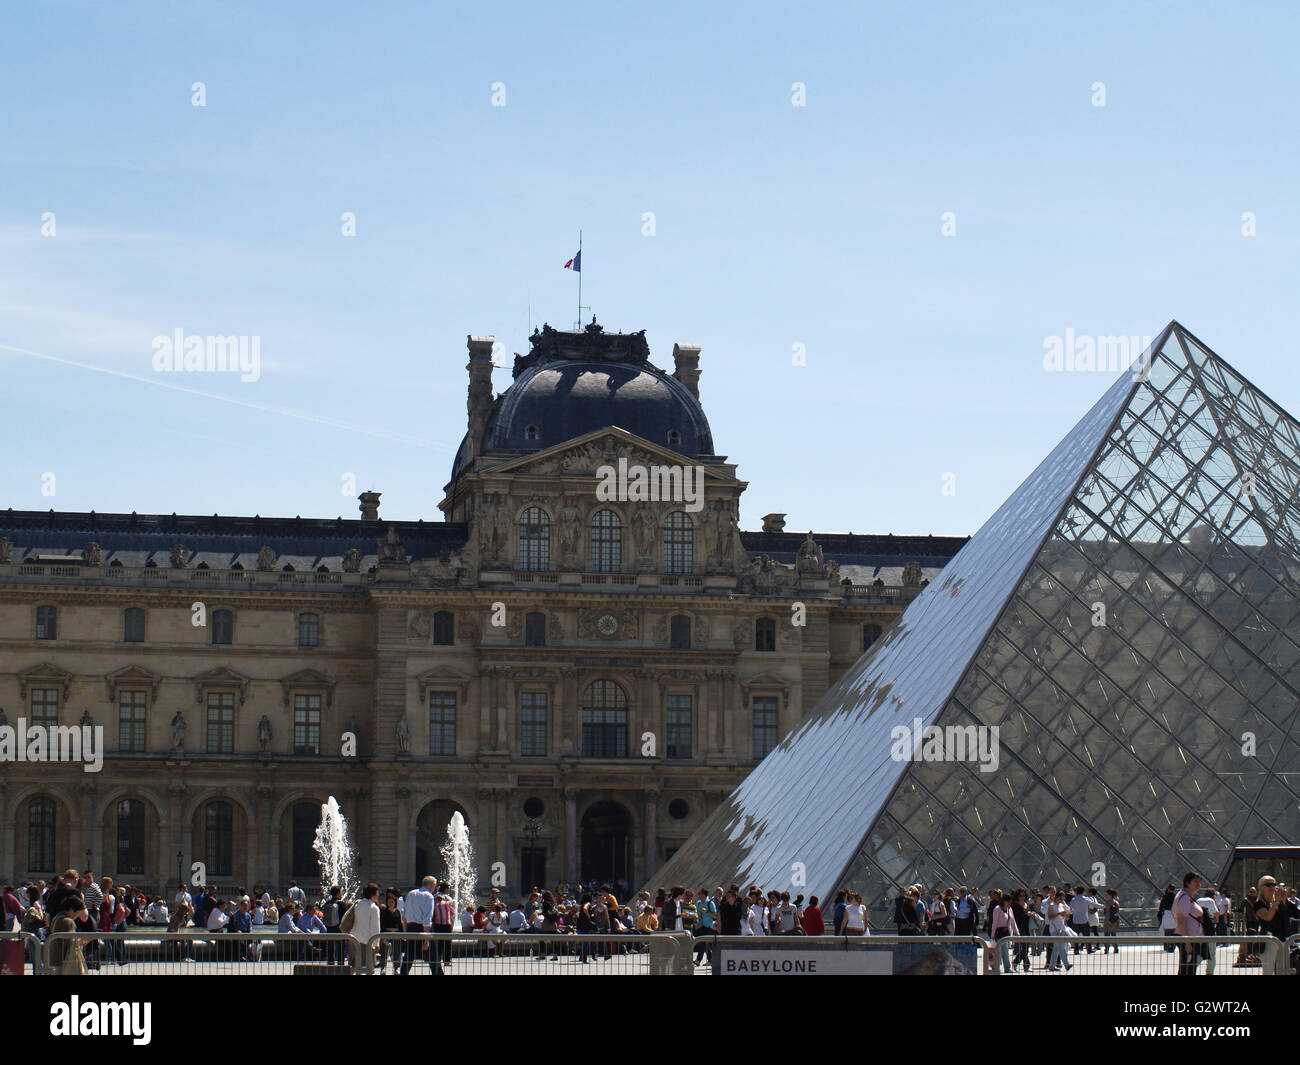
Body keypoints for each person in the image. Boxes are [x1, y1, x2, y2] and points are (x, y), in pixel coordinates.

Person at [1171, 872, 1205, 976]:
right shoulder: (1184, 898)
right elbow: (1181, 921)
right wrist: (1187, 942)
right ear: (1187, 883)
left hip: (1190, 937)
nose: (1198, 884)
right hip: (1188, 938)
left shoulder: (1184, 896)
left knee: (1187, 969)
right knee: (1188, 969)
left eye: (1199, 882)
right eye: (1195, 881)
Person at [401, 878, 436, 975]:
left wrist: (405, 931)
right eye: (434, 885)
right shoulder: (429, 896)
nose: (435, 888)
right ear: (431, 885)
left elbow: (404, 915)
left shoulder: (411, 893)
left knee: (408, 956)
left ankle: (403, 973)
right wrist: (426, 938)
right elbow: (427, 918)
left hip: (410, 927)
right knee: (433, 957)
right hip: (422, 928)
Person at [49, 900, 90, 975]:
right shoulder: (68, 921)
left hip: (53, 959)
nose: (77, 916)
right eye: (77, 912)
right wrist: (80, 941)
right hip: (64, 961)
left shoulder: (56, 918)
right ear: (71, 909)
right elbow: (70, 942)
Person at [349, 883, 382, 975]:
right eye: (377, 892)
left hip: (354, 938)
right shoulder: (374, 908)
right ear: (373, 894)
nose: (378, 895)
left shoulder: (358, 904)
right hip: (367, 941)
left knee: (355, 966)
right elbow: (375, 927)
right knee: (369, 968)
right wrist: (376, 944)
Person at [991, 893, 1019, 972]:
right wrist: (992, 934)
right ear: (1004, 901)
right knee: (1000, 950)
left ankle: (1006, 967)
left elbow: (1013, 922)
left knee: (1005, 950)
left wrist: (1017, 933)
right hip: (999, 932)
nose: (1009, 903)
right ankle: (999, 966)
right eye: (1008, 901)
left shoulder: (1009, 909)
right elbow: (995, 922)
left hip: (1006, 932)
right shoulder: (997, 909)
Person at [1101, 888, 1120, 953]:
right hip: (1114, 921)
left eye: (1107, 894)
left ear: (1110, 894)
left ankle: (1107, 949)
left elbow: (1107, 912)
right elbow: (1117, 913)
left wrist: (1108, 920)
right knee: (1114, 935)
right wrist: (1117, 921)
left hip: (1108, 921)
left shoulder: (1107, 902)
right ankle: (1116, 948)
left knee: (1107, 936)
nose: (1106, 895)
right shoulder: (1116, 902)